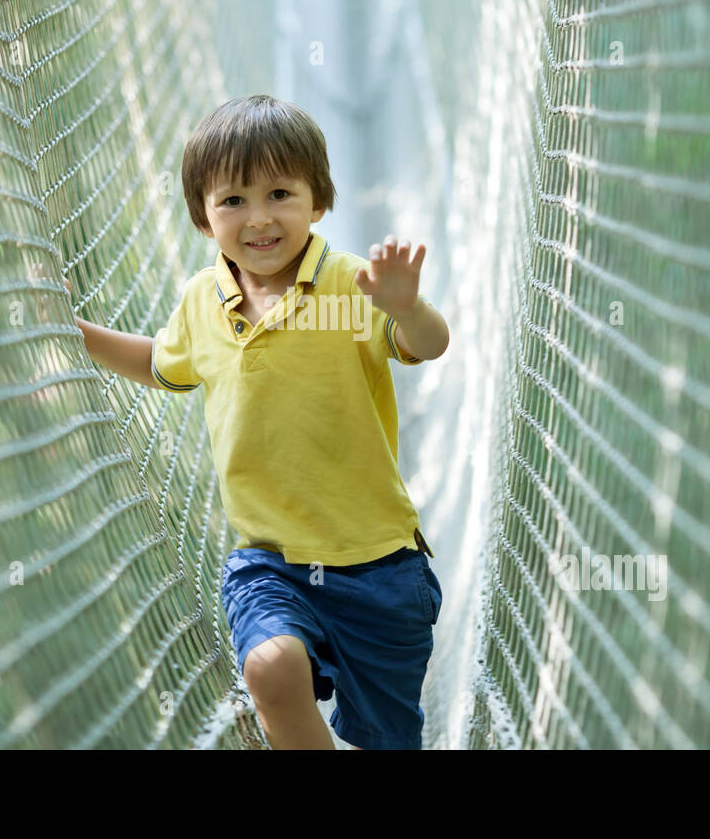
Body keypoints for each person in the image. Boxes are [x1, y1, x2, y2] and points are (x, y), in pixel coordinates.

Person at [70, 94, 449, 749]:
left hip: (378, 566)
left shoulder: (350, 285)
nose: (260, 218)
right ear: (203, 216)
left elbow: (428, 345)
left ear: (317, 200)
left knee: (387, 738)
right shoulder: (201, 300)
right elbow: (160, 363)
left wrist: (407, 308)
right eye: (233, 200)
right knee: (270, 667)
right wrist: (75, 333)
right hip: (269, 562)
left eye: (279, 193)